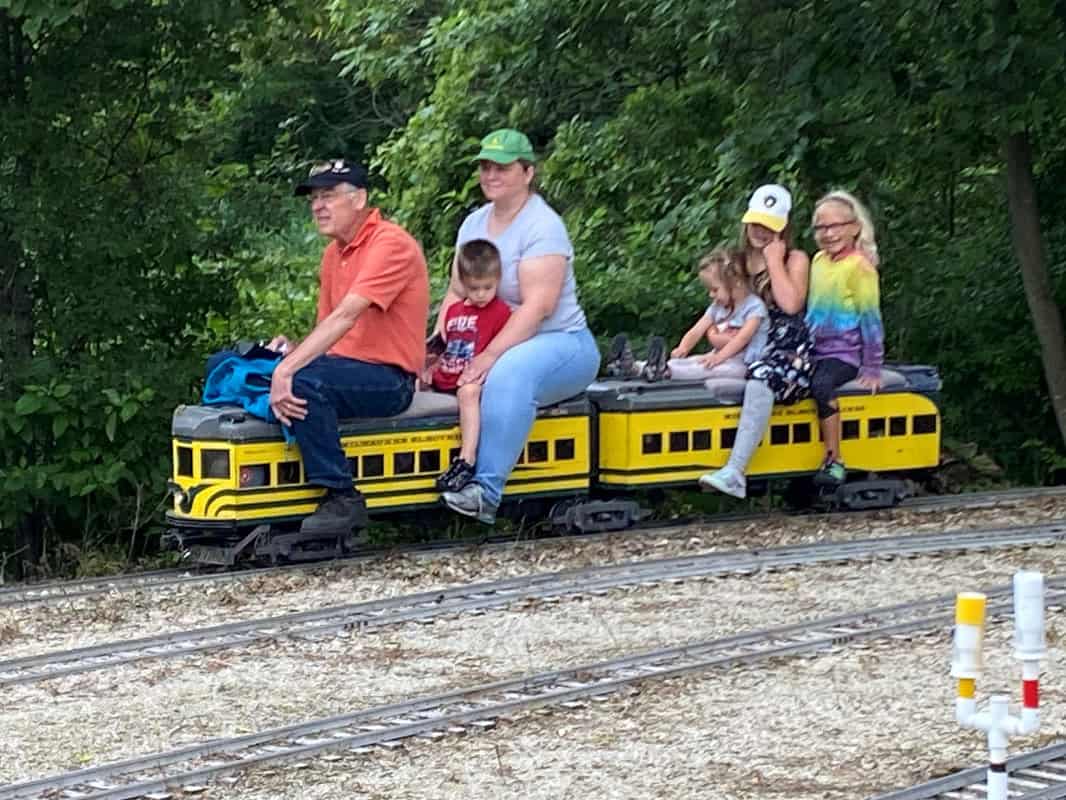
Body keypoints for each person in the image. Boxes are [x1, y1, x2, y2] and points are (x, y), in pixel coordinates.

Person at [436, 128, 601, 524]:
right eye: (485, 167)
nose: (491, 175)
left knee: (508, 372)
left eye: (502, 167)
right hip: (487, 340)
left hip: (560, 342)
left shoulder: (542, 226)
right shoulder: (473, 224)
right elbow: (456, 293)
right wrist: (439, 346)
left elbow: (539, 307)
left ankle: (485, 492)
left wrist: (489, 356)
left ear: (528, 172)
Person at [267, 158, 430, 534]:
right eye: (313, 198)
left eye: (328, 196)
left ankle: (342, 496)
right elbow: (328, 329)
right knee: (242, 365)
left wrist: (289, 368)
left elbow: (346, 316)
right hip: (345, 368)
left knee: (301, 381)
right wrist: (290, 351)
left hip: (389, 378)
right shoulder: (333, 255)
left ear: (359, 199)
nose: (317, 206)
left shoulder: (390, 243)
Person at [699, 184, 812, 498]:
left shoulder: (795, 259)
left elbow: (791, 305)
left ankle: (735, 472)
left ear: (783, 228)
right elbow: (724, 308)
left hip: (787, 351)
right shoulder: (735, 262)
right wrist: (716, 335)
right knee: (706, 364)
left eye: (769, 226)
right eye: (755, 224)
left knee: (760, 376)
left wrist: (773, 261)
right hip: (748, 344)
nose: (760, 231)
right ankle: (648, 369)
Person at [804, 190, 884, 486]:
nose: (828, 234)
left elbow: (871, 320)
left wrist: (872, 367)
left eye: (835, 226)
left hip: (843, 354)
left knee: (821, 384)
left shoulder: (860, 267)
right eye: (821, 227)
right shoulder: (818, 261)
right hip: (813, 350)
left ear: (854, 227)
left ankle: (834, 459)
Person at [427, 239, 512, 492]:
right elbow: (447, 345)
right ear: (463, 284)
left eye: (488, 287)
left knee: (469, 392)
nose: (481, 294)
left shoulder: (501, 312)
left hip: (473, 379)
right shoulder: (453, 311)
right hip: (447, 374)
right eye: (475, 288)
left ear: (497, 281)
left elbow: (504, 349)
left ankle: (467, 459)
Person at [610, 248, 768, 383]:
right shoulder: (718, 307)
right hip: (718, 356)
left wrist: (719, 358)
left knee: (706, 369)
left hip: (743, 364)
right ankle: (635, 368)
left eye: (715, 289)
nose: (711, 295)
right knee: (687, 362)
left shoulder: (754, 308)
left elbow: (742, 339)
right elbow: (697, 330)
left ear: (736, 282)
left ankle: (666, 372)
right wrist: (683, 347)